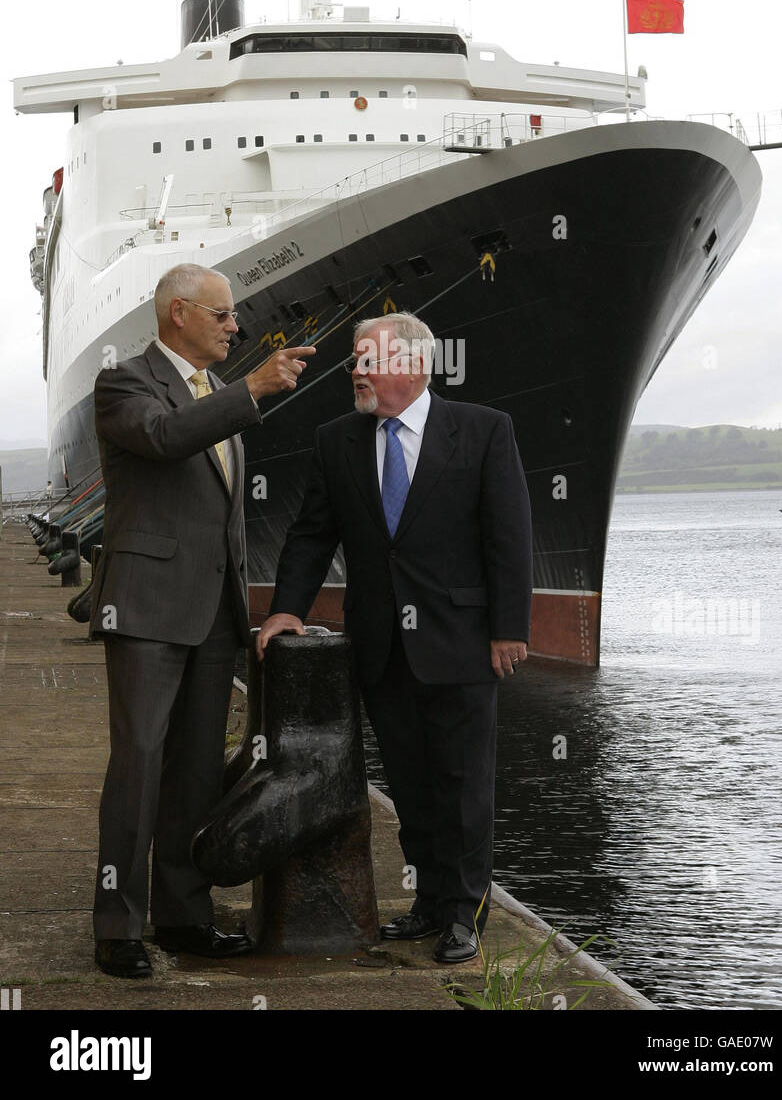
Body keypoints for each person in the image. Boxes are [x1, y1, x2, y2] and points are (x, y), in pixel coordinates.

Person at [257, 312, 532, 963]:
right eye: (355, 360)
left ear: (411, 364)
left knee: (462, 784)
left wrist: (507, 629)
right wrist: (285, 611)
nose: (354, 371)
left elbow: (509, 534)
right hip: (381, 645)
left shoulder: (484, 430)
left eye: (365, 359)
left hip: (463, 642)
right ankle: (430, 902)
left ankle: (465, 912)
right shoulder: (336, 440)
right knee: (409, 783)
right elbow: (310, 534)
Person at [90, 263, 314, 978]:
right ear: (178, 313)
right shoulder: (124, 382)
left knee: (192, 775)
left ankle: (184, 917)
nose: (235, 326)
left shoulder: (215, 393)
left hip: (214, 617)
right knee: (139, 766)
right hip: (149, 608)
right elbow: (161, 438)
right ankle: (117, 926)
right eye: (221, 315)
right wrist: (251, 388)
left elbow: (224, 520)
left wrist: (244, 611)